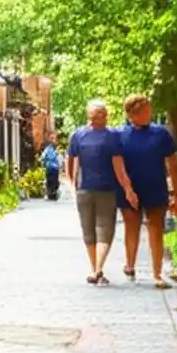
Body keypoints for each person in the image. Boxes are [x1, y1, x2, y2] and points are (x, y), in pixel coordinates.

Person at [115, 94, 177, 288]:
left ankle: (157, 272)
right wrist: (127, 188)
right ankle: (130, 265)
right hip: (130, 189)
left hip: (155, 187)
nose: (148, 112)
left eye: (148, 109)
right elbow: (117, 164)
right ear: (131, 114)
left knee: (156, 227)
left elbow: (172, 163)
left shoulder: (161, 134)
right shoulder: (120, 135)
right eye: (143, 110)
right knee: (132, 226)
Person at [67, 100, 129, 286]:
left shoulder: (78, 135)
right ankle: (97, 269)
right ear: (104, 116)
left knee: (89, 231)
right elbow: (119, 167)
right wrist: (127, 188)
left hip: (85, 190)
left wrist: (72, 181)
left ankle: (95, 269)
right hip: (105, 189)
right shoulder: (111, 137)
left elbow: (70, 159)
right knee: (104, 230)